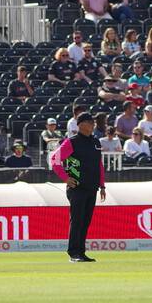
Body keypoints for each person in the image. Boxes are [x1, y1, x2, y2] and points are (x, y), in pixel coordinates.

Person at [51, 112, 106, 263]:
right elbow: (54, 159)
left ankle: (81, 252)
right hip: (77, 188)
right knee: (77, 220)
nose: (93, 125)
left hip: (92, 187)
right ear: (81, 124)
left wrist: (102, 185)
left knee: (85, 221)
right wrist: (65, 178)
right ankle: (73, 253)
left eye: (93, 122)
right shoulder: (72, 142)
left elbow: (99, 165)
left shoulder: (96, 142)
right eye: (90, 122)